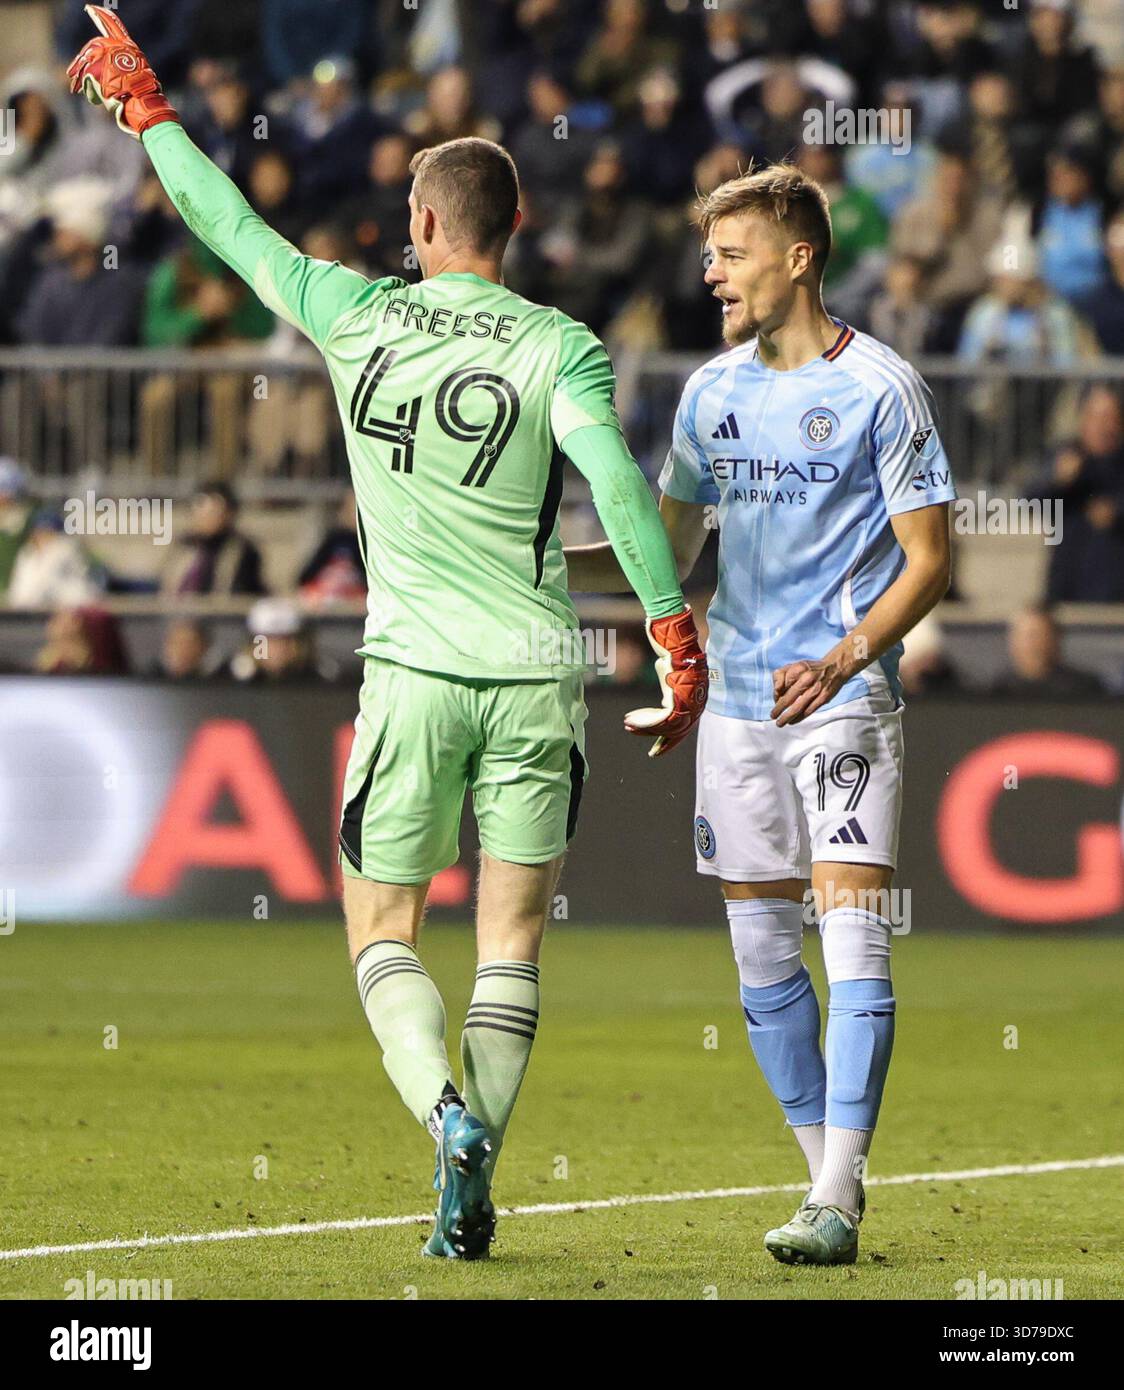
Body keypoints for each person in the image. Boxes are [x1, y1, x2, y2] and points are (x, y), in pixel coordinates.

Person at [68, 6, 707, 1261]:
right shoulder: (560, 345)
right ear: (513, 229)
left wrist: (149, 113)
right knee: (513, 943)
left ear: (420, 227)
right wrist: (672, 636)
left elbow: (227, 224)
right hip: (536, 674)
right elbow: (621, 491)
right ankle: (468, 1188)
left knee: (381, 932)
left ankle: (444, 1121)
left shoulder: (351, 310)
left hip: (411, 676)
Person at [567, 161, 956, 1266]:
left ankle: (837, 1192)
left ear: (797, 257)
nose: (711, 273)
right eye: (707, 256)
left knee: (851, 937)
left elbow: (928, 561)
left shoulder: (881, 387)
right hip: (735, 708)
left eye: (731, 254)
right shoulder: (707, 394)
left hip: (839, 701)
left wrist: (846, 654)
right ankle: (819, 1183)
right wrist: (530, 566)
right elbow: (668, 551)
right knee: (757, 956)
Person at [991, 605, 1106, 699]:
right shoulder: (998, 691)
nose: (1032, 644)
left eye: (1039, 635)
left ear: (1055, 640)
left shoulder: (1083, 687)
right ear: (1012, 642)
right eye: (1027, 636)